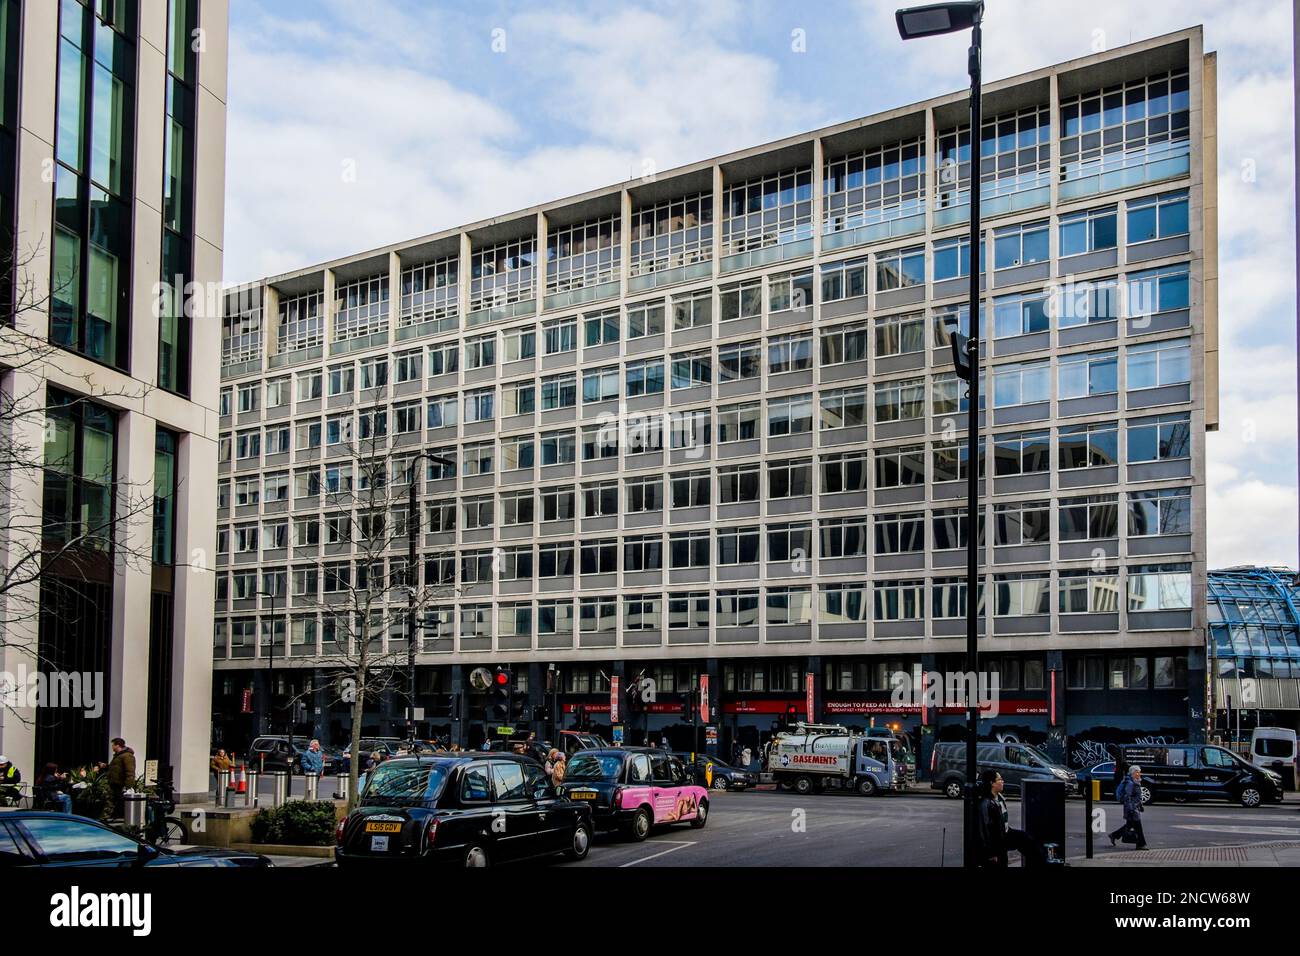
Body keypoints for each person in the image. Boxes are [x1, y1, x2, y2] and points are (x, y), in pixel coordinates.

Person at [1110, 765, 1148, 850]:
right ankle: (1141, 844)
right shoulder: (1130, 783)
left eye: (1139, 771)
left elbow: (1137, 797)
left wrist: (1140, 805)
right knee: (1138, 828)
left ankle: (1114, 835)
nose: (1139, 773)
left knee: (1129, 825)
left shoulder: (1136, 781)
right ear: (1132, 773)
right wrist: (1132, 809)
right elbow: (1128, 797)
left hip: (1134, 808)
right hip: (1132, 809)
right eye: (1136, 772)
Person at [105, 738, 136, 817]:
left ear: (117, 745)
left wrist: (128, 786)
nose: (112, 747)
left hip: (120, 784)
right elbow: (117, 768)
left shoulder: (127, 756)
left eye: (113, 745)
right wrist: (106, 766)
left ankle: (109, 818)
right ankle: (107, 817)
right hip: (114, 783)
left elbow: (130, 772)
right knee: (111, 801)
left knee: (116, 802)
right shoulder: (118, 756)